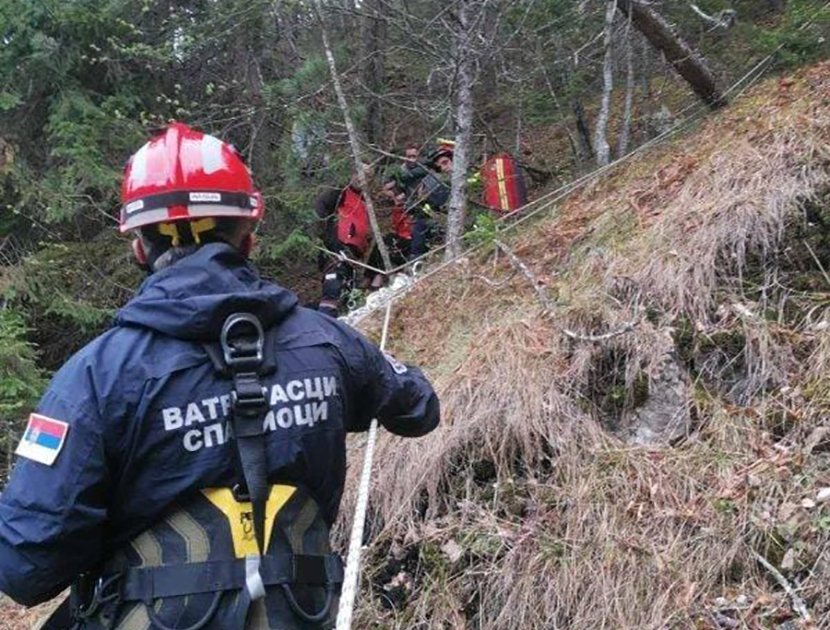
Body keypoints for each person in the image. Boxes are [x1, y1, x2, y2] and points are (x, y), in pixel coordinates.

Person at [0, 122, 440, 629]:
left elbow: (25, 567)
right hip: (300, 613)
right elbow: (418, 408)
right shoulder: (326, 342)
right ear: (248, 237)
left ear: (139, 248)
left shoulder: (96, 378)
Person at [314, 166, 373, 317]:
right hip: (338, 247)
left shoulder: (364, 198)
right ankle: (325, 322)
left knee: (347, 293)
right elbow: (321, 205)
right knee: (333, 286)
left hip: (354, 253)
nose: (362, 178)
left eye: (367, 176)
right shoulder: (341, 191)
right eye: (359, 173)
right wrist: (330, 238)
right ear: (353, 173)